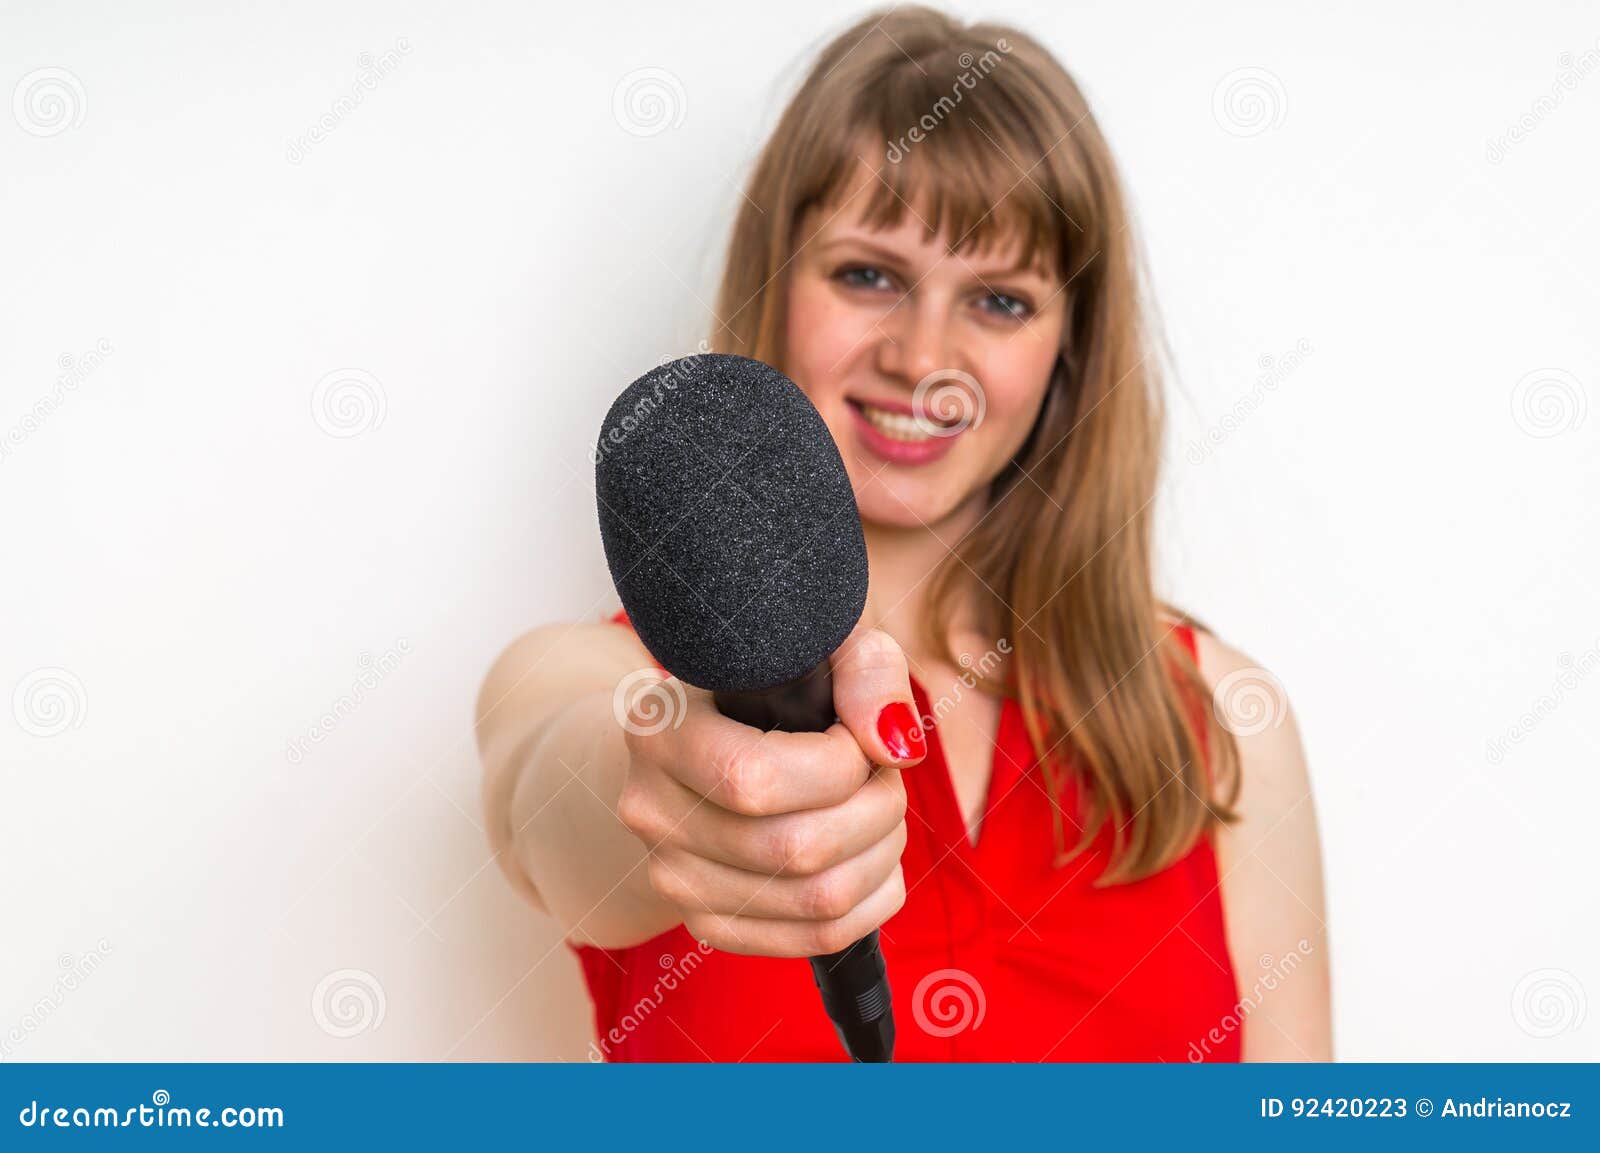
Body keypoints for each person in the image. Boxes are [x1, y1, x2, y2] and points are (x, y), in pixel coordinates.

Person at [476, 6, 1331, 1061]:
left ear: (1070, 351)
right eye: (867, 275)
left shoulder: (1219, 722)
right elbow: (550, 788)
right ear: (775, 284)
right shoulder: (613, 679)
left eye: (1001, 301)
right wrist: (682, 780)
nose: (924, 356)